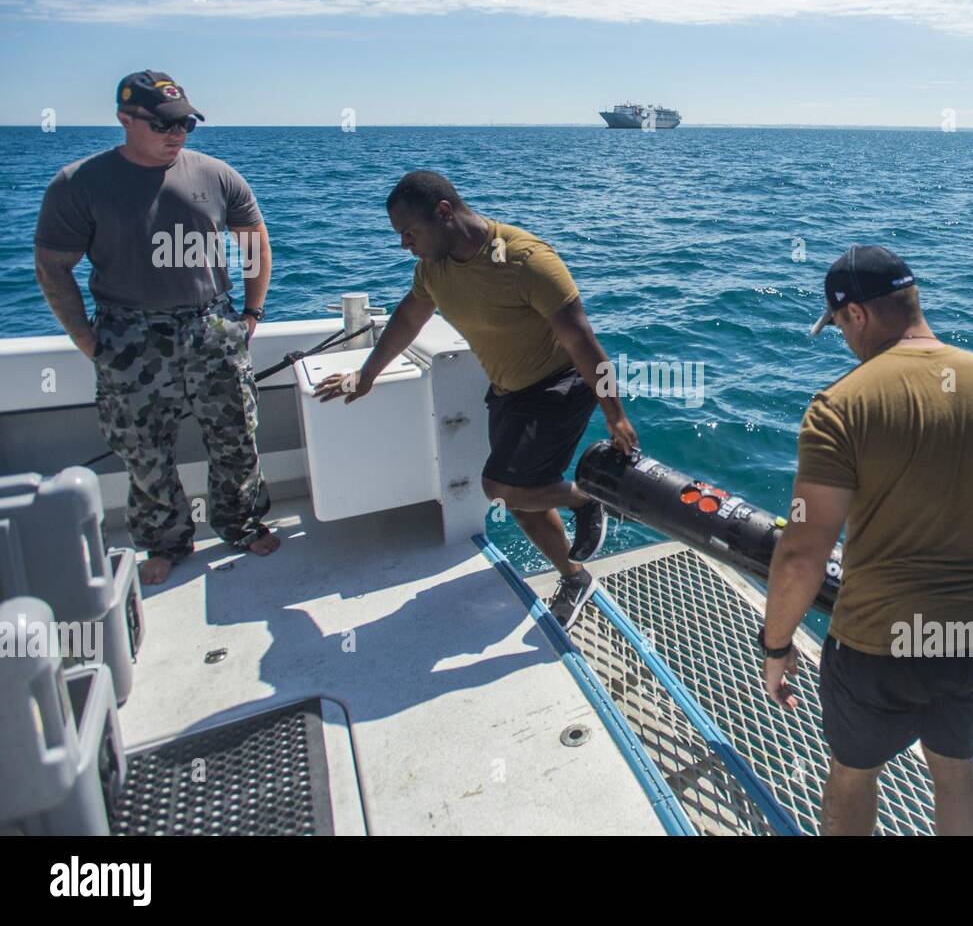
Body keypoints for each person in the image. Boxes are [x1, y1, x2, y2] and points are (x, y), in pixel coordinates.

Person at [760, 245, 973, 835]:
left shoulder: (840, 406)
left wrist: (777, 645)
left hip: (876, 648)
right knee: (955, 766)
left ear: (857, 315)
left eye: (839, 325)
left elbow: (802, 552)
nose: (843, 339)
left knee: (852, 772)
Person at [313, 171, 636, 630]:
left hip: (560, 387)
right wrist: (366, 375)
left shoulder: (525, 259)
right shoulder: (433, 270)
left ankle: (586, 500)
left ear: (444, 213)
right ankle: (575, 576)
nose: (404, 244)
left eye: (410, 232)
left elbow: (582, 340)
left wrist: (615, 415)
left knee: (499, 488)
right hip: (508, 393)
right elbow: (408, 319)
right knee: (524, 502)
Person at [34, 70, 280, 585]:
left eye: (186, 123)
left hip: (211, 325)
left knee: (237, 436)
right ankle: (165, 541)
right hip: (129, 336)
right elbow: (53, 266)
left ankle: (240, 522)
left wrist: (251, 316)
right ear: (126, 119)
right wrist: (87, 339)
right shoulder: (79, 184)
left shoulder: (217, 175)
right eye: (164, 124)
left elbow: (255, 241)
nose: (177, 134)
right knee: (144, 451)